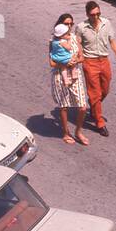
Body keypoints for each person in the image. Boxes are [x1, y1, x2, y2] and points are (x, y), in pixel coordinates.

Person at [75, 1, 116, 136]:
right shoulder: (81, 27)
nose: (96, 17)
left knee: (105, 89)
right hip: (90, 62)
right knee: (95, 93)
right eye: (92, 15)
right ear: (87, 14)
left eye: (98, 14)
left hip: (104, 61)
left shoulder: (106, 23)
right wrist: (80, 58)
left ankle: (94, 106)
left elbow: (112, 41)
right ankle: (99, 122)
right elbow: (78, 44)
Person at [49, 14, 88, 145]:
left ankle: (78, 131)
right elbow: (52, 63)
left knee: (83, 107)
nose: (69, 26)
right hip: (60, 76)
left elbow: (82, 57)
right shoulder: (54, 41)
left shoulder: (76, 38)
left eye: (71, 23)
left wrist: (76, 60)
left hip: (76, 75)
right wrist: (65, 64)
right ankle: (66, 132)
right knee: (64, 106)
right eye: (66, 24)